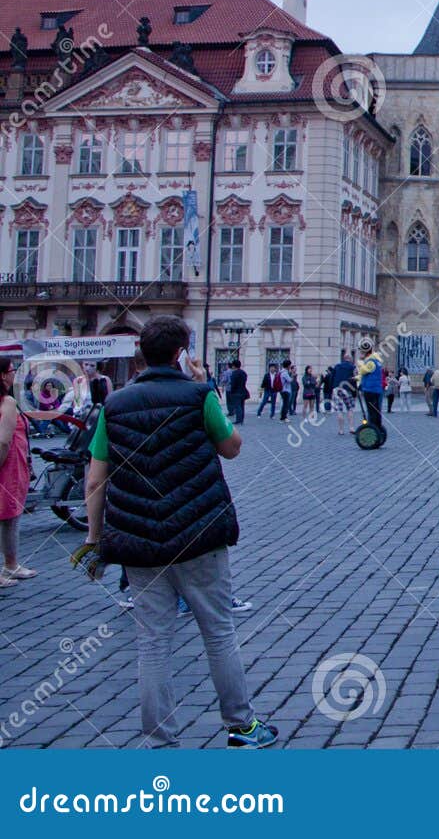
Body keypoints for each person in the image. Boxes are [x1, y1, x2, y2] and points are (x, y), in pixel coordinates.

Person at [72, 317, 277, 748]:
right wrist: (208, 391)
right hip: (199, 532)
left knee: (152, 642)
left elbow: (95, 480)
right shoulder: (197, 395)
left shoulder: (115, 405)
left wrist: (94, 539)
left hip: (138, 540)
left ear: (142, 355)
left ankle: (161, 741)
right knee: (218, 631)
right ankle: (241, 726)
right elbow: (232, 448)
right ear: (181, 353)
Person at [0, 358, 38, 588]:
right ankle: (8, 566)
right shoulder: (7, 402)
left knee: (10, 517)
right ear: (3, 375)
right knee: (7, 516)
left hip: (11, 466)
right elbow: (4, 441)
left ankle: (11, 564)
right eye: (12, 370)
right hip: (7, 467)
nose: (14, 374)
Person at [356, 343, 385, 438]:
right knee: (376, 411)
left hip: (370, 389)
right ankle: (378, 428)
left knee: (372, 412)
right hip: (376, 389)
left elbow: (365, 370)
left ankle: (373, 430)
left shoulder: (370, 362)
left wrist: (360, 363)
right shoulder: (377, 361)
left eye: (361, 351)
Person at [329, 351, 357, 436]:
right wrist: (354, 392)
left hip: (337, 389)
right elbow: (354, 380)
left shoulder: (337, 366)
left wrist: (331, 390)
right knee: (350, 408)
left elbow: (332, 378)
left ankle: (341, 430)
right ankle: (351, 427)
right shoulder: (352, 367)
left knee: (339, 410)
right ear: (350, 359)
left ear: (343, 359)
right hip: (347, 389)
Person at [223, 359, 248, 424]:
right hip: (243, 391)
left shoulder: (234, 373)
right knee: (242, 406)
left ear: (234, 366)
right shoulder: (243, 373)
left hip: (236, 392)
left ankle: (238, 420)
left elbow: (233, 384)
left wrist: (232, 391)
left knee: (237, 406)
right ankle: (241, 419)